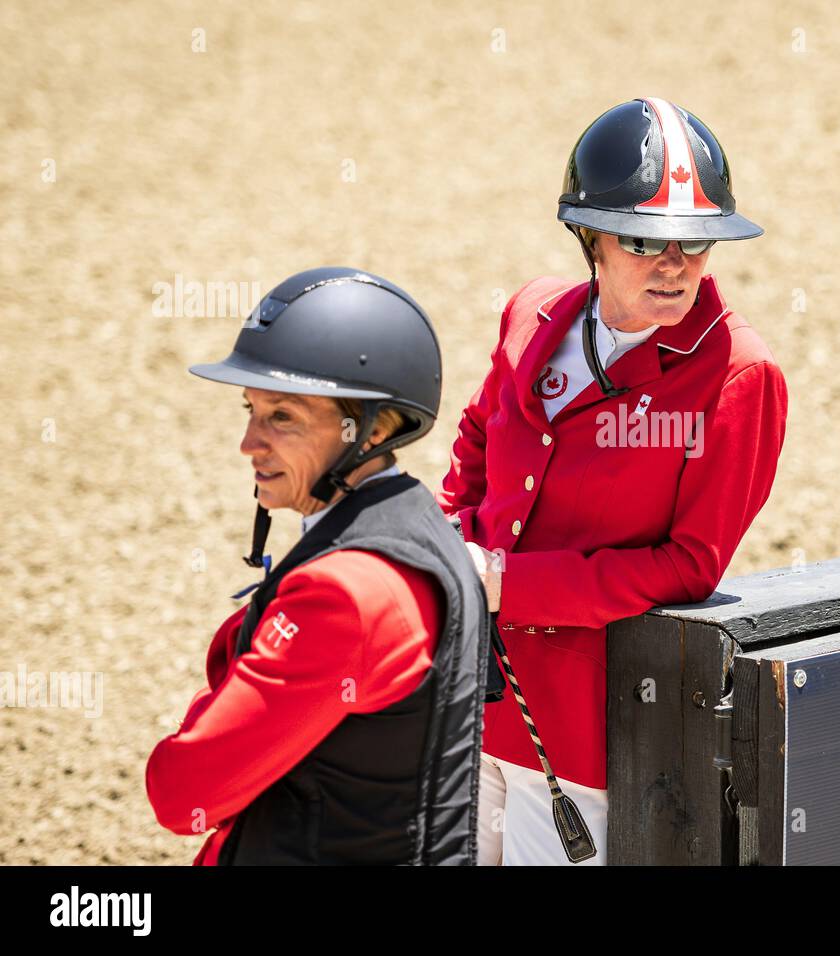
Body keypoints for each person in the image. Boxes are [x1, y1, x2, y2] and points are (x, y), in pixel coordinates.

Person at [438, 97, 789, 865]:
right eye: (644, 240)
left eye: (696, 243)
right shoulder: (532, 312)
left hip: (584, 732)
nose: (674, 265)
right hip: (468, 699)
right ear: (589, 236)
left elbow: (689, 566)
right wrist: (447, 547)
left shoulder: (739, 375)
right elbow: (475, 438)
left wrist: (506, 582)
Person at [146, 267, 492, 865]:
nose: (249, 443)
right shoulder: (414, 520)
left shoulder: (347, 594)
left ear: (374, 429)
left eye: (283, 417)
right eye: (250, 409)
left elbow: (181, 792)